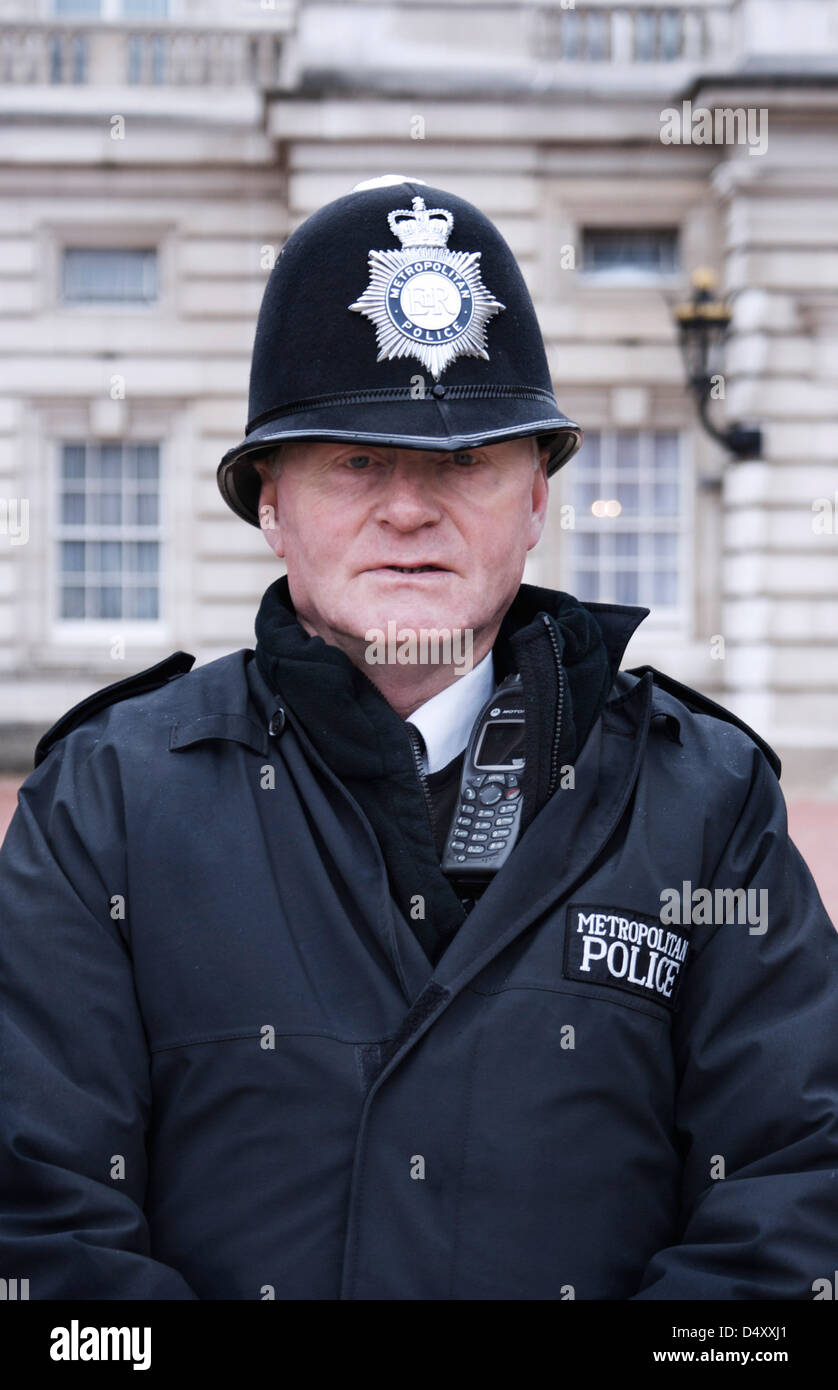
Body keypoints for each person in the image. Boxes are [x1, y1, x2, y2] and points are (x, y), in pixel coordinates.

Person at [1, 176, 836, 1301]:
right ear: (270, 504)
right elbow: (40, 1232)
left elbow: (795, 1195)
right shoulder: (105, 801)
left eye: (463, 463)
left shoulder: (705, 801)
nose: (408, 509)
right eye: (354, 460)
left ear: (534, 498)